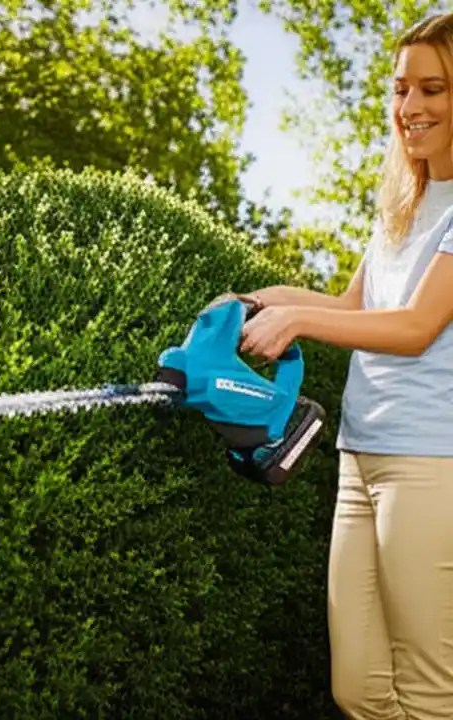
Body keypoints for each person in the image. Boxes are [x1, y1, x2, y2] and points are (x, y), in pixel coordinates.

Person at [238, 12, 453, 719]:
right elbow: (353, 305)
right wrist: (257, 301)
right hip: (360, 454)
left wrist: (297, 322)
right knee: (357, 689)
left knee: (430, 692)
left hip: (431, 462)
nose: (410, 107)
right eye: (400, 89)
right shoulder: (403, 202)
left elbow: (416, 327)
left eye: (432, 89)